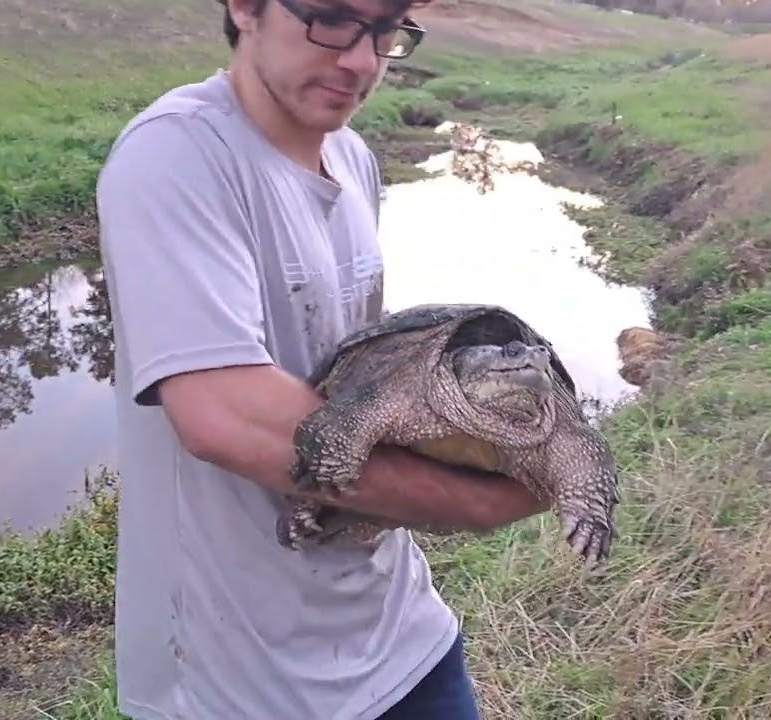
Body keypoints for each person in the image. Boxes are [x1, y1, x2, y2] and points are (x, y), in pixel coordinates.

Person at [94, 0, 549, 717]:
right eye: (334, 19)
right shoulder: (177, 154)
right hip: (243, 680)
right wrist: (477, 502)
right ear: (244, 8)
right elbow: (223, 417)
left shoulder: (353, 156)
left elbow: (359, 376)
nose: (363, 61)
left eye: (384, 28)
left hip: (404, 633)